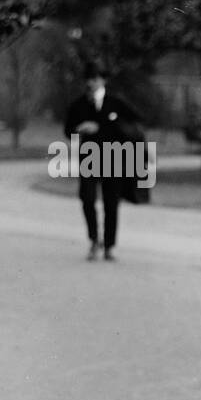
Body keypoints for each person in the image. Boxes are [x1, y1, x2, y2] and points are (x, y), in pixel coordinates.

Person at [63, 62, 143, 261]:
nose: (91, 83)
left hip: (113, 157)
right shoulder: (79, 104)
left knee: (111, 203)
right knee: (87, 198)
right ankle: (93, 239)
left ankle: (108, 245)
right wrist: (79, 129)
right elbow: (68, 129)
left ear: (103, 80)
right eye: (88, 79)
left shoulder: (115, 103)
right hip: (89, 159)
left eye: (95, 79)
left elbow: (135, 121)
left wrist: (100, 126)